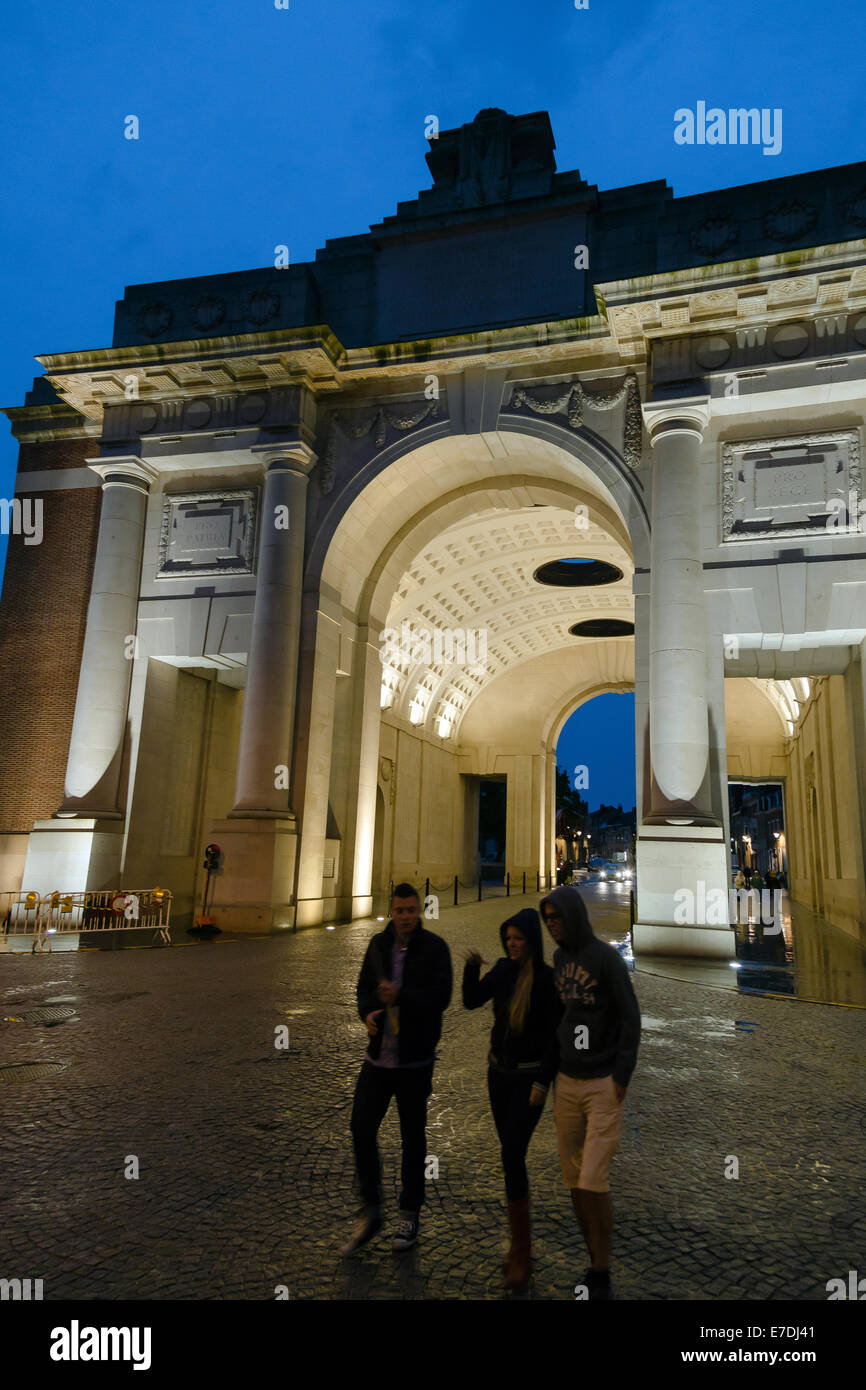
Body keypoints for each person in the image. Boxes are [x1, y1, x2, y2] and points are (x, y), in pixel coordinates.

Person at [539, 884, 641, 1301]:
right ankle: (594, 1257)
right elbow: (555, 1017)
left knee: (593, 1178)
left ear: (573, 916)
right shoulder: (559, 960)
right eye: (547, 920)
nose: (552, 926)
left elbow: (630, 1015)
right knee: (575, 1181)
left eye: (557, 918)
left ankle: (601, 1268)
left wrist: (621, 1074)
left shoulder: (607, 958)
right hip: (567, 1081)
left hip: (602, 1082)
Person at [342, 883, 452, 1256]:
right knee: (360, 1128)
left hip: (414, 1061)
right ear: (391, 911)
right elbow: (363, 991)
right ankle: (372, 1208)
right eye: (399, 910)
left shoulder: (435, 948)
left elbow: (442, 998)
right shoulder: (377, 946)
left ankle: (409, 1212)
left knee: (412, 1138)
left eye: (411, 910)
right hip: (378, 1058)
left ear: (419, 910)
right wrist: (368, 1013)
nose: (405, 916)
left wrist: (400, 997)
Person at [462, 908, 562, 1289]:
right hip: (498, 1075)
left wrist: (543, 1082)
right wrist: (472, 967)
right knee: (511, 1154)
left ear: (532, 941)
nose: (512, 944)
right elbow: (471, 1000)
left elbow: (556, 1037)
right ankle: (522, 1244)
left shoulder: (547, 981)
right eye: (508, 939)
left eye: (519, 939)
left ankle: (521, 1248)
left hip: (528, 1081)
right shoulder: (502, 971)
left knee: (511, 1154)